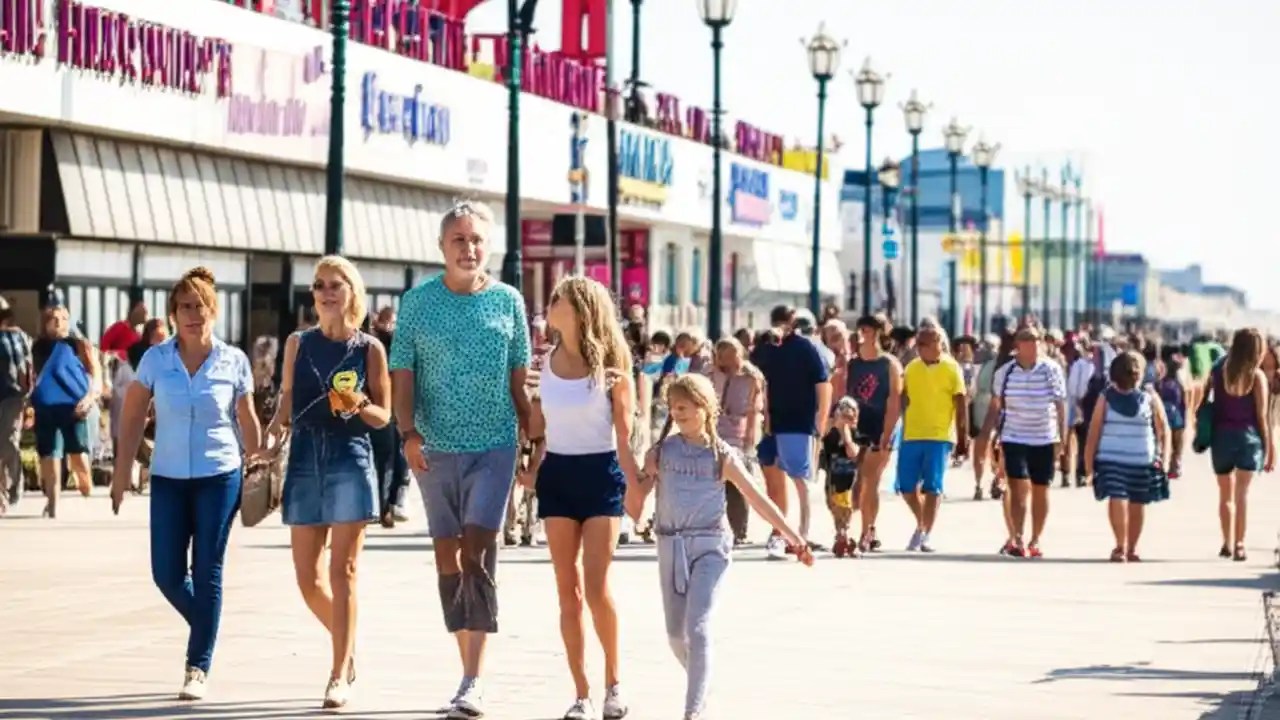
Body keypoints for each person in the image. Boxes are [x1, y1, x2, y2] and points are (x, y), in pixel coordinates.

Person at [389, 200, 531, 719]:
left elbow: (520, 380)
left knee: (478, 552)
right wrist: (407, 433)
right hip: (433, 447)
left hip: (495, 444)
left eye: (476, 240)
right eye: (459, 240)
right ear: (442, 247)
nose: (469, 249)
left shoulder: (508, 301)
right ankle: (464, 660)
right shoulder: (418, 303)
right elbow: (401, 375)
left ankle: (473, 678)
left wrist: (533, 441)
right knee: (447, 560)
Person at [111, 267, 262, 701]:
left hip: (220, 475)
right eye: (185, 306)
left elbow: (246, 420)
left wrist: (261, 457)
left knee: (207, 570)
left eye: (201, 306)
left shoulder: (233, 360)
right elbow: (134, 415)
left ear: (213, 310)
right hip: (168, 477)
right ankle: (208, 624)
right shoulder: (156, 359)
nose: (194, 314)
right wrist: (123, 471)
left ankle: (197, 665)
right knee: (167, 574)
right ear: (173, 314)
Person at [628, 374, 812, 720]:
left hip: (711, 545)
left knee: (697, 628)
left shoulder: (721, 455)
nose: (677, 413)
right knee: (675, 636)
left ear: (705, 407)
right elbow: (637, 498)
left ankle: (692, 711)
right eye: (673, 407)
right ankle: (702, 678)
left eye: (684, 406)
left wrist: (793, 537)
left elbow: (758, 500)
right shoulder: (662, 452)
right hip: (671, 545)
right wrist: (629, 464)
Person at [260, 257, 392, 708]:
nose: (327, 292)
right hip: (303, 458)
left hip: (349, 458)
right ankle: (348, 643)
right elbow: (287, 401)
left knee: (344, 571)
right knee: (307, 579)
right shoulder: (298, 343)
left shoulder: (369, 348)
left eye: (336, 285)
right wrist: (271, 436)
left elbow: (384, 417)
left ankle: (338, 673)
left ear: (352, 292)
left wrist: (358, 404)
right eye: (319, 286)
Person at [517, 276, 638, 720]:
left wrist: (637, 488)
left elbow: (625, 436)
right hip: (558, 475)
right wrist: (529, 400)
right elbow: (538, 430)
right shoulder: (544, 362)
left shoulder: (611, 368)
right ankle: (582, 693)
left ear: (582, 310)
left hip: (600, 474)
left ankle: (614, 684)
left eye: (557, 300)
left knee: (596, 587)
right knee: (566, 592)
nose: (549, 306)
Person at [752, 305, 832, 557]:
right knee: (773, 483)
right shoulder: (766, 347)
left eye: (785, 321)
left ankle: (802, 533)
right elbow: (753, 374)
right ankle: (778, 533)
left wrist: (821, 419)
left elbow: (823, 383)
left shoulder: (806, 347)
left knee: (799, 479)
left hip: (798, 422)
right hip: (770, 424)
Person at [982, 326, 1068, 558]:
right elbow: (996, 406)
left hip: (1044, 437)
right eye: (1028, 340)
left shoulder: (1051, 369)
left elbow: (1060, 406)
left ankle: (1036, 539)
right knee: (1017, 487)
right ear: (1017, 345)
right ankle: (1018, 538)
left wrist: (1063, 438)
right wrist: (987, 436)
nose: (1034, 344)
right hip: (1014, 436)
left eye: (1036, 340)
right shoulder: (1006, 372)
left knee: (1041, 488)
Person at [1083, 351, 1169, 562]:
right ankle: (1125, 546)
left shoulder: (1146, 397)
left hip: (1130, 460)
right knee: (1126, 499)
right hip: (1128, 459)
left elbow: (1093, 431)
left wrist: (1088, 464)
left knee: (1130, 500)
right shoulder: (1111, 397)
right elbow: (1163, 430)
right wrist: (1164, 459)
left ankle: (1127, 546)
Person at [1203, 327, 1273, 562]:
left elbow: (1205, 403)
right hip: (1248, 440)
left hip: (1221, 439)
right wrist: (1271, 450)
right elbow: (1263, 418)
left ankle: (1226, 543)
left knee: (1225, 495)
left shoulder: (1218, 371)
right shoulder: (1257, 376)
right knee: (1242, 494)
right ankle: (1240, 544)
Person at [897, 326, 968, 552]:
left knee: (932, 488)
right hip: (911, 435)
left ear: (938, 343)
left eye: (924, 344)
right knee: (906, 486)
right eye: (918, 344)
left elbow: (961, 403)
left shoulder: (951, 367)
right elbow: (902, 399)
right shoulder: (911, 368)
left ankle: (925, 533)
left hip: (939, 436)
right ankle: (921, 524)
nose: (920, 349)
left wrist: (963, 438)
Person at [31, 303, 100, 516]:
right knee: (49, 455)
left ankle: (86, 486)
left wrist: (90, 398)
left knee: (79, 460)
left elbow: (95, 374)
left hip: (74, 408)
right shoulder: (38, 347)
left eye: (62, 318)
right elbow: (32, 376)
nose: (58, 322)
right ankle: (53, 504)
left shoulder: (78, 344)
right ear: (45, 323)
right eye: (54, 319)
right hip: (46, 408)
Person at [847, 313, 901, 554]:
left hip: (880, 427)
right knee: (853, 485)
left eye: (867, 330)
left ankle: (866, 531)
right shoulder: (852, 363)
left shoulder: (889, 364)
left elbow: (894, 402)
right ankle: (858, 529)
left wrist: (886, 435)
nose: (862, 335)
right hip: (856, 426)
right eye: (861, 330)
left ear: (878, 333)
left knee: (870, 481)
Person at [706, 337, 763, 546]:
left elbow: (754, 410)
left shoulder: (751, 377)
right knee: (712, 484)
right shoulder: (710, 374)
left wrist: (750, 438)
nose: (729, 361)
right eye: (724, 356)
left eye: (732, 355)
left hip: (737, 435)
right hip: (713, 433)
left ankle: (739, 531)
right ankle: (713, 528)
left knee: (737, 485)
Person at [370, 305, 410, 527]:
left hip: (389, 410)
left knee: (389, 459)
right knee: (389, 458)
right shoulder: (383, 346)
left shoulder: (383, 345)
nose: (388, 325)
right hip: (385, 411)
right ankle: (386, 504)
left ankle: (385, 504)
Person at [0, 300, 33, 514]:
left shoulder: (17, 337)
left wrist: (29, 400)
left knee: (9, 441)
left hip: (12, 396)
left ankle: (14, 485)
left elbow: (26, 368)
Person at [820, 397, 860, 557]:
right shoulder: (830, 431)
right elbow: (821, 434)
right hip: (832, 477)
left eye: (850, 417)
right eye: (844, 415)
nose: (846, 420)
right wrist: (835, 423)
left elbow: (853, 453)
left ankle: (844, 534)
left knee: (847, 509)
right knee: (834, 506)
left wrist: (846, 433)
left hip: (849, 479)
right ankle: (841, 533)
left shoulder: (853, 433)